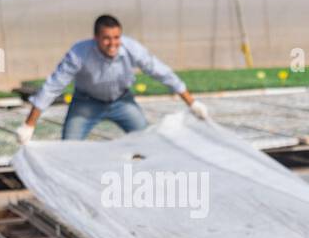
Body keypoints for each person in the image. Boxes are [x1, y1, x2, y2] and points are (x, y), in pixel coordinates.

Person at [15, 14, 207, 143]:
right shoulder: (79, 53)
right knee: (69, 146)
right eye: (107, 38)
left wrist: (192, 103)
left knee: (146, 141)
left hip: (121, 102)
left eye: (116, 37)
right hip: (86, 104)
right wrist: (29, 124)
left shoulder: (132, 49)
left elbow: (161, 72)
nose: (112, 43)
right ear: (96, 38)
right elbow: (53, 86)